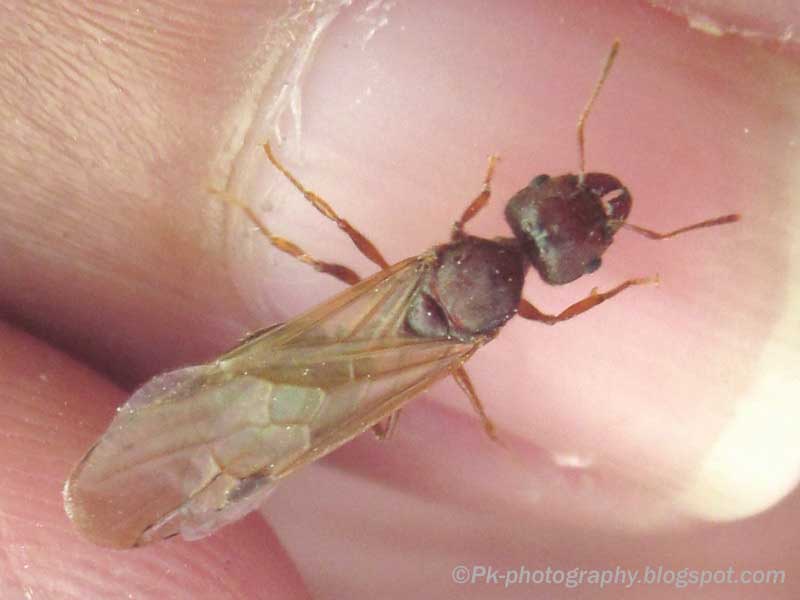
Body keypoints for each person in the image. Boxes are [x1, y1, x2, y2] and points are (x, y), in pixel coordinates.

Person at [1, 2, 796, 598]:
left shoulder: (453, 253)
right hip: (378, 370)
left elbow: (353, 238)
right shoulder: (495, 318)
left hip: (369, 347)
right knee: (326, 396)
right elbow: (544, 314)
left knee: (327, 294)